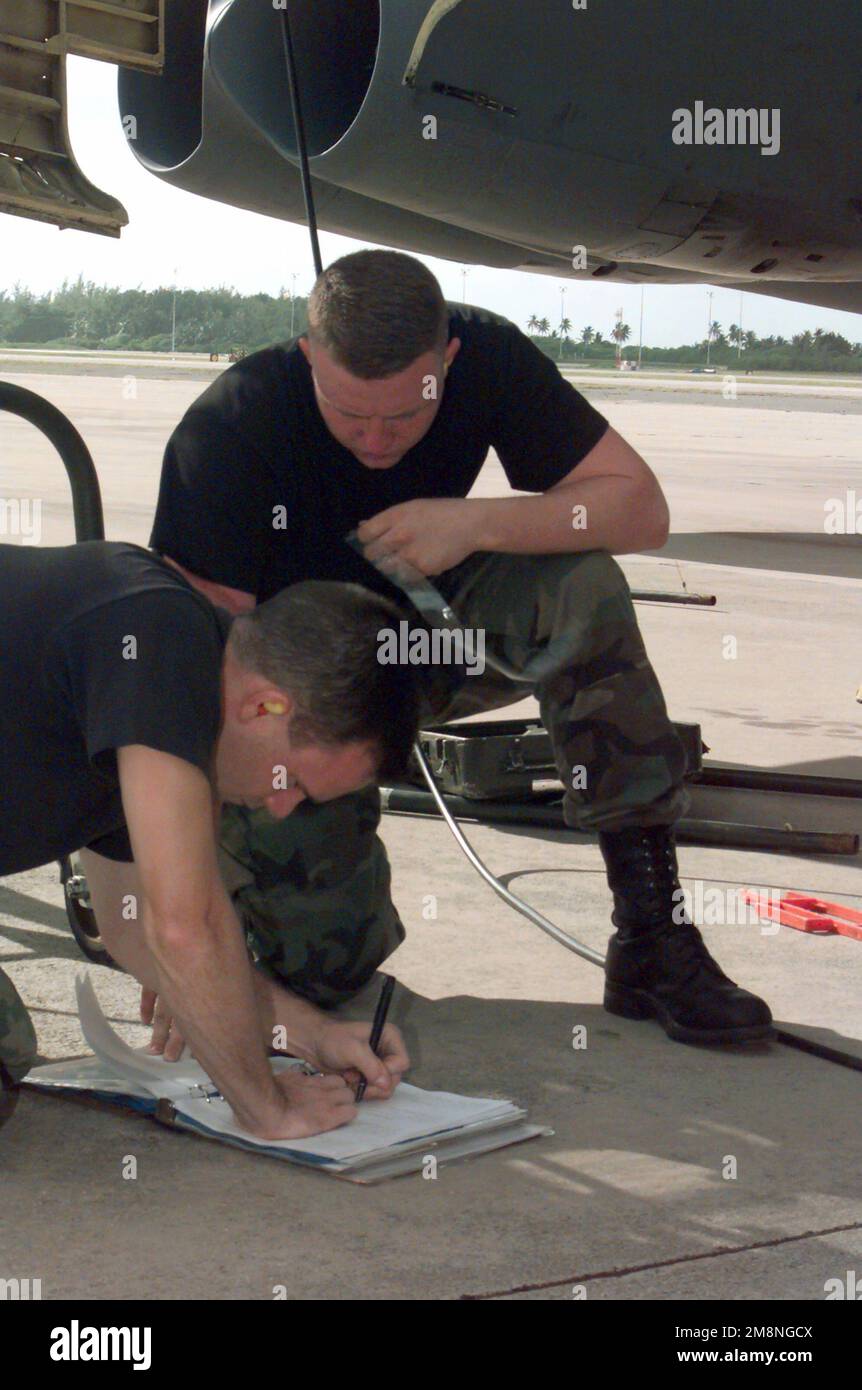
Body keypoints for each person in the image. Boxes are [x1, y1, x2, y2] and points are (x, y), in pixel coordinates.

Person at [150, 248, 773, 1047]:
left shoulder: (492, 360)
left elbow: (639, 509)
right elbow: (196, 687)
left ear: (446, 360)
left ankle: (653, 933)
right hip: (302, 706)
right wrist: (184, 919)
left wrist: (472, 523)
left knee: (582, 589)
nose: (377, 438)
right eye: (350, 413)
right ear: (308, 357)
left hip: (432, 638)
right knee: (323, 969)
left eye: (406, 414)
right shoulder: (234, 424)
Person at [0, 539, 418, 1134]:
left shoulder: (158, 682)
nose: (279, 809)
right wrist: (264, 1106)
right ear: (265, 707)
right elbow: (184, 926)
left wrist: (309, 1031)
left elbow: (132, 926)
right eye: (291, 781)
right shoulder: (154, 636)